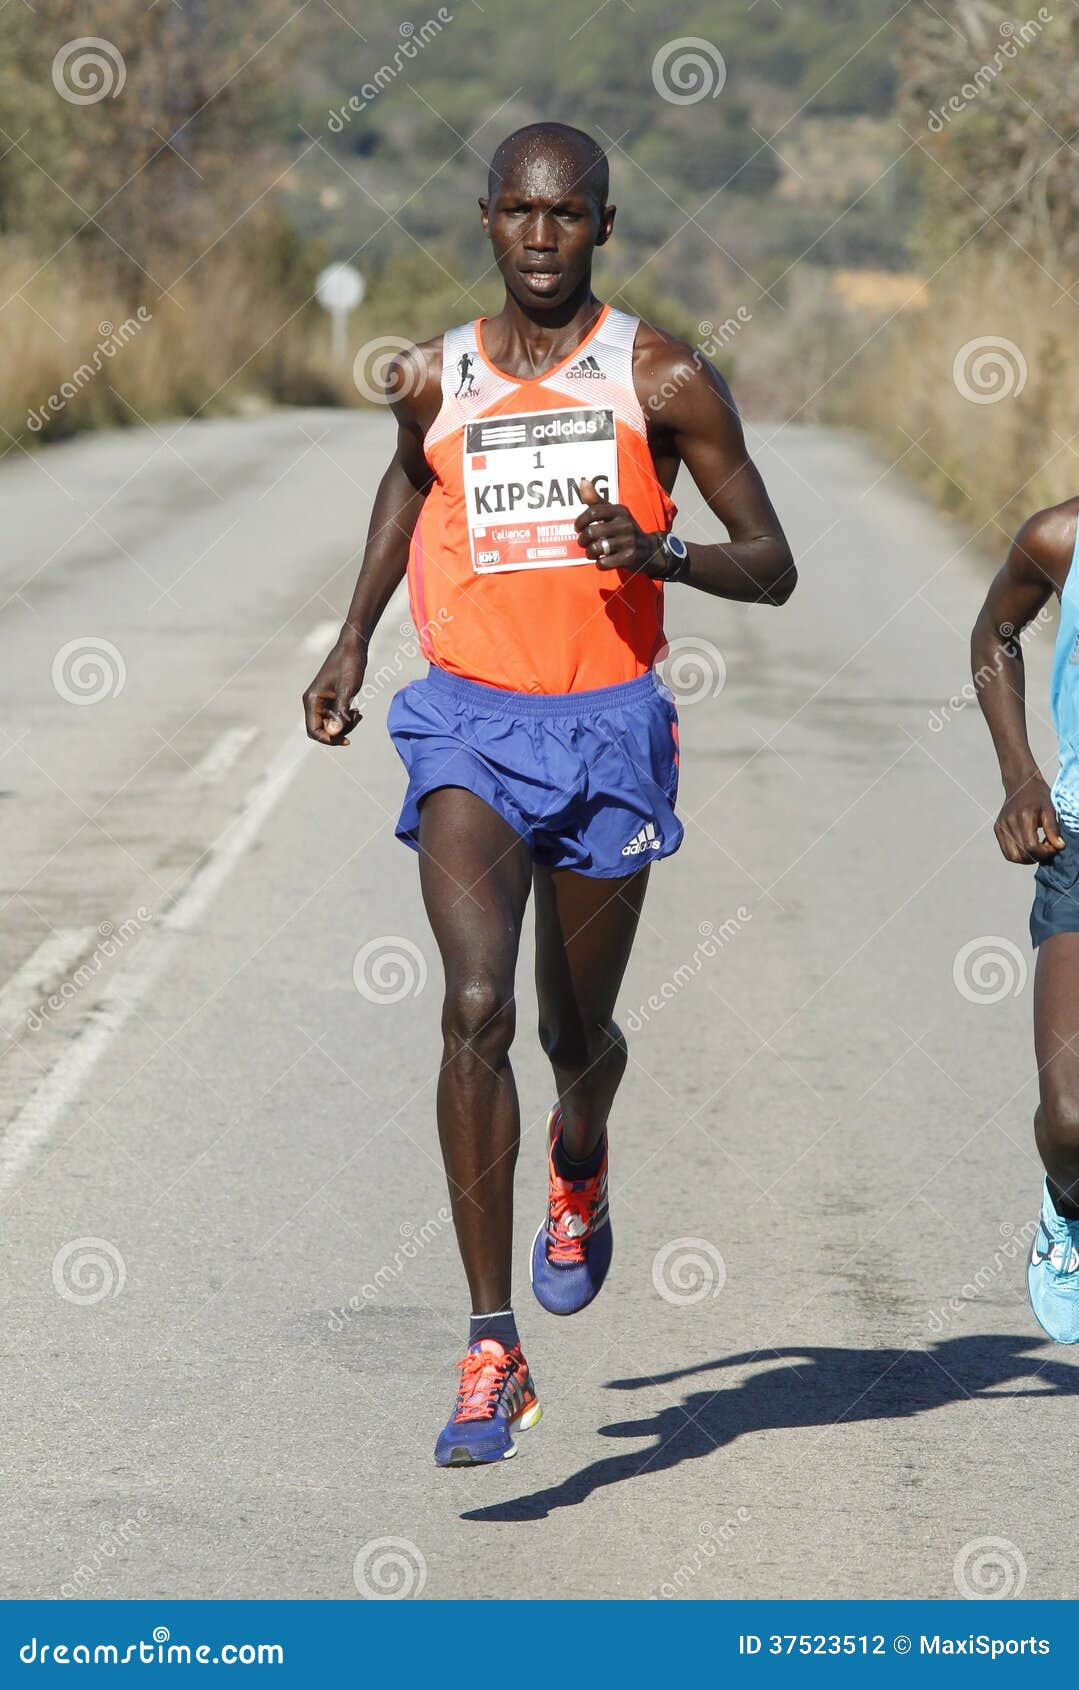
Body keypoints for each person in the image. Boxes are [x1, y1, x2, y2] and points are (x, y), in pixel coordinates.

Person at [304, 121, 796, 1466]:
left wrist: (663, 550)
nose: (538, 236)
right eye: (517, 213)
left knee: (576, 1035)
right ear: (483, 219)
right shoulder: (436, 375)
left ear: (602, 224)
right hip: (464, 722)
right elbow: (409, 485)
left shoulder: (662, 375)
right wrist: (351, 637)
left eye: (564, 215)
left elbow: (773, 562)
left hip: (606, 731)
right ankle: (488, 1344)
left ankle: (579, 1152)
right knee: (475, 1007)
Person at [971, 495, 1079, 1342]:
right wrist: (1019, 775)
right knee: (1071, 1116)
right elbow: (992, 634)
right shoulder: (1059, 537)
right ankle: (1067, 1206)